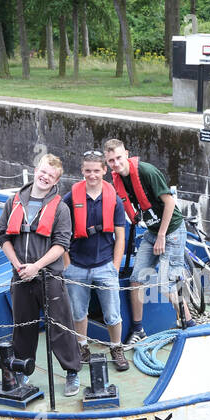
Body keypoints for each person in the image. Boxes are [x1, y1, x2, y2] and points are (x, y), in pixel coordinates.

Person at [0, 154, 82, 397]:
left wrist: (37, 267)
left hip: (49, 278)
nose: (45, 177)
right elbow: (2, 235)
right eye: (43, 172)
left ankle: (72, 371)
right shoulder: (14, 202)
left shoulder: (61, 209)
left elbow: (61, 244)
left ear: (56, 181)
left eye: (51, 176)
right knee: (22, 326)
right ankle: (22, 368)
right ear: (35, 170)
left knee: (61, 325)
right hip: (21, 277)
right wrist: (18, 265)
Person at [103, 138, 186, 345]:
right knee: (136, 279)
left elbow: (169, 202)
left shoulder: (147, 172)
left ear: (127, 154)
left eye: (119, 158)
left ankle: (188, 323)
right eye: (111, 160)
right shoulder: (119, 180)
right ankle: (138, 329)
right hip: (151, 230)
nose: (116, 163)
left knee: (167, 283)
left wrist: (161, 236)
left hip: (172, 231)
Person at [65, 149, 130, 372]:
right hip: (76, 266)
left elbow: (120, 235)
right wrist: (67, 264)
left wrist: (115, 265)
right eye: (87, 171)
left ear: (104, 170)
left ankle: (116, 347)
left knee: (113, 313)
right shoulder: (71, 197)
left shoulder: (114, 200)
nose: (92, 175)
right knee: (77, 312)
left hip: (105, 265)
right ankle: (82, 347)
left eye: (96, 171)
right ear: (82, 171)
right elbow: (61, 232)